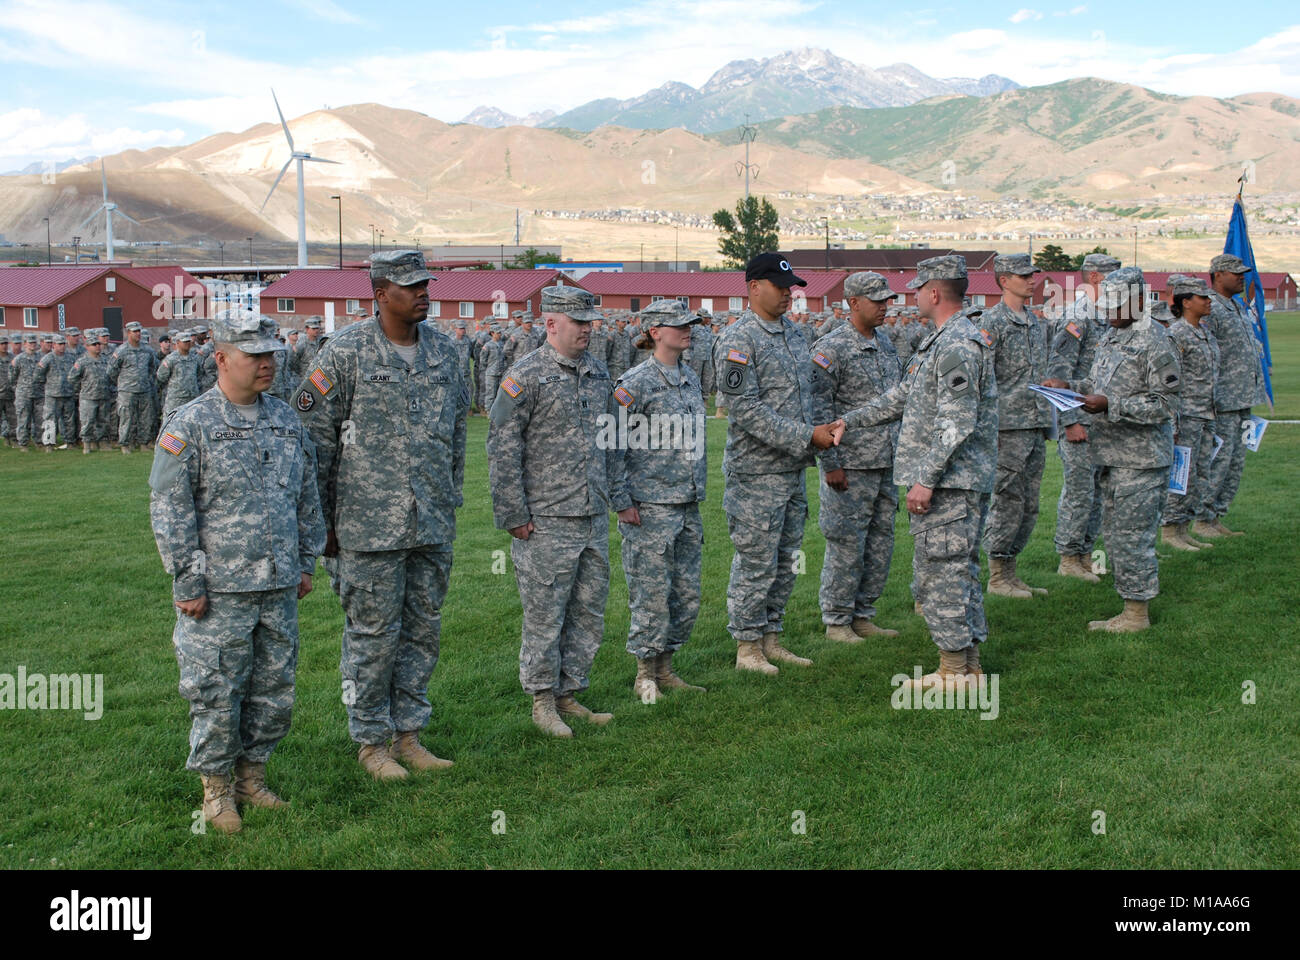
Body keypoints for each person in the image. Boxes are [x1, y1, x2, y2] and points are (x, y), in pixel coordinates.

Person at [148, 313, 325, 834]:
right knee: (216, 691)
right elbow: (169, 508)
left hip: (277, 583)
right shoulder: (190, 424)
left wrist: (305, 560)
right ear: (221, 358)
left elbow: (306, 493)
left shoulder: (285, 419)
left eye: (272, 354)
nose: (268, 363)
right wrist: (188, 582)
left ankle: (252, 776)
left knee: (274, 688)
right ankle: (216, 789)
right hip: (219, 590)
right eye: (255, 356)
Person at [295, 250, 469, 780]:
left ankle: (409, 734)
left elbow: (456, 434)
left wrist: (448, 495)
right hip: (365, 528)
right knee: (373, 636)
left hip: (431, 521)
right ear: (379, 293)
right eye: (410, 286)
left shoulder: (444, 353)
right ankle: (371, 742)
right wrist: (320, 524)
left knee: (422, 630)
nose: (423, 293)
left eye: (425, 284)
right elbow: (313, 445)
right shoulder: (343, 354)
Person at [841, 256, 997, 687]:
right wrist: (848, 422)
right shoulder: (943, 341)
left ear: (933, 292)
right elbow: (903, 396)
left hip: (949, 481)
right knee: (958, 570)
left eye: (916, 289)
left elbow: (958, 419)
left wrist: (926, 478)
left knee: (942, 573)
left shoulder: (956, 344)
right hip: (951, 478)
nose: (909, 297)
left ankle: (952, 671)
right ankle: (969, 665)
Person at [487, 285, 633, 737]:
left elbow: (612, 440)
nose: (588, 329)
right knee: (546, 613)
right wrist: (514, 513)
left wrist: (618, 497)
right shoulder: (525, 376)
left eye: (590, 321)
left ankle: (569, 693)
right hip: (545, 519)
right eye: (579, 322)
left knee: (588, 611)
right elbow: (502, 446)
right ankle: (542, 701)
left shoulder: (596, 370)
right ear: (551, 324)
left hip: (590, 514)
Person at [713, 253, 844, 676]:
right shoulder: (739, 339)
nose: (789, 294)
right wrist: (806, 435)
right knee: (756, 561)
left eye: (791, 287)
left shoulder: (794, 334)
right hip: (755, 473)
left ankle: (772, 637)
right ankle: (747, 646)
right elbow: (744, 409)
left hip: (790, 470)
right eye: (780, 286)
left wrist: (814, 439)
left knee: (785, 559)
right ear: (753, 287)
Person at [1044, 266, 1180, 632]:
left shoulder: (1154, 340)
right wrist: (1069, 385)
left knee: (1132, 537)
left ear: (1138, 301)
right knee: (1118, 536)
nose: (1109, 311)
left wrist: (1111, 405)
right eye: (1107, 304)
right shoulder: (1112, 337)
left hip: (1141, 459)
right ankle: (1131, 605)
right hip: (1111, 455)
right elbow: (1098, 383)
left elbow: (1165, 405)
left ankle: (1137, 614)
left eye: (1117, 305)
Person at [612, 299, 709, 703]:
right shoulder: (634, 383)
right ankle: (645, 673)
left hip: (686, 501)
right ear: (655, 332)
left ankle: (667, 668)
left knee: (685, 593)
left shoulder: (689, 377)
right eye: (679, 324)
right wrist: (621, 500)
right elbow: (612, 445)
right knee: (651, 594)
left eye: (690, 324)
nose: (689, 330)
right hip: (648, 505)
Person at [810, 271, 903, 644]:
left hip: (885, 460)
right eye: (876, 300)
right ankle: (836, 619)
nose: (884, 307)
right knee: (847, 543)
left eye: (886, 300)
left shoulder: (886, 344)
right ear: (853, 303)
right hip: (850, 464)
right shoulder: (830, 348)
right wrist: (830, 463)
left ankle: (863, 613)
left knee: (880, 541)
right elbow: (818, 408)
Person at [982, 253, 1053, 598]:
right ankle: (996, 575)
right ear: (1004, 281)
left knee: (1029, 502)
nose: (1031, 280)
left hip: (1035, 423)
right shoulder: (991, 322)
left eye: (1033, 275)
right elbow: (983, 378)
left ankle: (1011, 570)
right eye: (1023, 276)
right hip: (1006, 427)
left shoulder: (1034, 321)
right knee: (1007, 499)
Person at [1049, 252, 1121, 582]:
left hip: (1101, 418)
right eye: (1111, 275)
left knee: (1096, 492)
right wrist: (1069, 421)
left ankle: (1084, 553)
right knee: (1079, 491)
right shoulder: (1077, 315)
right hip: (1080, 419)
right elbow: (1058, 374)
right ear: (1093, 277)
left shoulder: (1105, 315)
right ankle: (1068, 557)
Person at [1198, 253, 1266, 540]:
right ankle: (1202, 518)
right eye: (1235, 272)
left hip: (1243, 398)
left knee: (1236, 462)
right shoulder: (1210, 310)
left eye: (1243, 273)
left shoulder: (1237, 308)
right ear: (1217, 274)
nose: (1242, 277)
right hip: (1223, 401)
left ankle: (1217, 516)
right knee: (1219, 460)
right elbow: (1205, 356)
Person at [1161, 275, 1220, 551]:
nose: (1209, 301)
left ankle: (1184, 527)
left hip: (1205, 414)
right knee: (1180, 476)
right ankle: (1170, 529)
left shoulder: (1205, 332)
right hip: (1186, 416)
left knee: (1198, 474)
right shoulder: (1176, 334)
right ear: (1186, 302)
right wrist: (1172, 423)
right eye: (1203, 297)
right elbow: (1169, 383)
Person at [108, 320, 159, 452]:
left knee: (145, 418)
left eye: (139, 331)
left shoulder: (147, 350)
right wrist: (122, 383)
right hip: (127, 390)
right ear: (128, 333)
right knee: (126, 418)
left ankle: (144, 443)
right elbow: (111, 371)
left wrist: (147, 380)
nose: (138, 334)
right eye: (134, 331)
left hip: (144, 389)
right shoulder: (121, 351)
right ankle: (125, 444)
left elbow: (154, 367)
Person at [68, 333, 113, 452]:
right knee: (88, 421)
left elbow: (112, 375)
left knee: (103, 420)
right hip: (88, 396)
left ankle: (102, 442)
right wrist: (81, 388)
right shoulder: (82, 361)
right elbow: (72, 377)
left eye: (98, 344)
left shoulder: (105, 360)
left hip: (103, 395)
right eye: (94, 345)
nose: (97, 346)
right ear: (87, 346)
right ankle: (87, 443)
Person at [37, 333, 77, 450]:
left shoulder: (70, 357)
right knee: (50, 420)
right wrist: (49, 385)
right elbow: (38, 375)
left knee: (69, 420)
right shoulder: (48, 358)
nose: (62, 346)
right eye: (60, 344)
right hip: (52, 395)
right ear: (54, 345)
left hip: (68, 394)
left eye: (64, 344)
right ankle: (49, 444)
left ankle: (70, 442)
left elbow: (75, 374)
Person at [156, 331, 201, 417]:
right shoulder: (171, 359)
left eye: (188, 341)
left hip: (192, 398)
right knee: (171, 425)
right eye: (184, 342)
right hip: (176, 399)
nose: (187, 344)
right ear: (177, 343)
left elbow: (199, 374)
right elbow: (161, 377)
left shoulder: (194, 358)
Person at [10, 334, 43, 452]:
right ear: (25, 344)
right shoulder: (19, 359)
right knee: (23, 420)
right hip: (23, 395)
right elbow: (12, 378)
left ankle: (39, 442)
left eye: (34, 342)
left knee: (40, 420)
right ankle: (23, 443)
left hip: (39, 394)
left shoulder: (41, 358)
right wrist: (19, 390)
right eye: (30, 343)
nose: (32, 345)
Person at [480, 325, 504, 412]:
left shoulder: (502, 344)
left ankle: (498, 410)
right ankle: (488, 410)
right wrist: (490, 368)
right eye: (498, 333)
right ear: (492, 333)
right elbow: (483, 360)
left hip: (501, 372)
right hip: (491, 373)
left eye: (500, 333)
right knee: (490, 393)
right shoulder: (488, 345)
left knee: (500, 393)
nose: (499, 335)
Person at [0, 334, 14, 445]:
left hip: (10, 394)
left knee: (13, 419)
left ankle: (13, 440)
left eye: (5, 344)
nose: (4, 346)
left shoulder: (13, 358)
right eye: (1, 344)